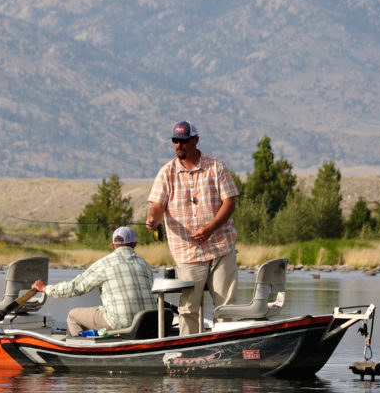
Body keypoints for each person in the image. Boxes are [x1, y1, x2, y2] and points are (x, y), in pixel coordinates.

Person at [144, 120, 239, 335]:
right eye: (175, 141)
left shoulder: (217, 167)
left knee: (226, 305)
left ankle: (225, 346)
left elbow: (230, 203)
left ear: (195, 140)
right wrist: (152, 219)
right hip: (187, 252)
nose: (179, 145)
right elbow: (157, 206)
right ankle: (189, 353)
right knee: (188, 308)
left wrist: (210, 228)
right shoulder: (166, 172)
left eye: (184, 141)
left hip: (221, 246)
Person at [31, 226, 154, 337]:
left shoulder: (104, 264)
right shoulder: (145, 265)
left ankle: (81, 353)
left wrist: (45, 288)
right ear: (134, 245)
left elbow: (74, 288)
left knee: (73, 316)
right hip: (147, 322)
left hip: (119, 323)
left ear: (112, 245)